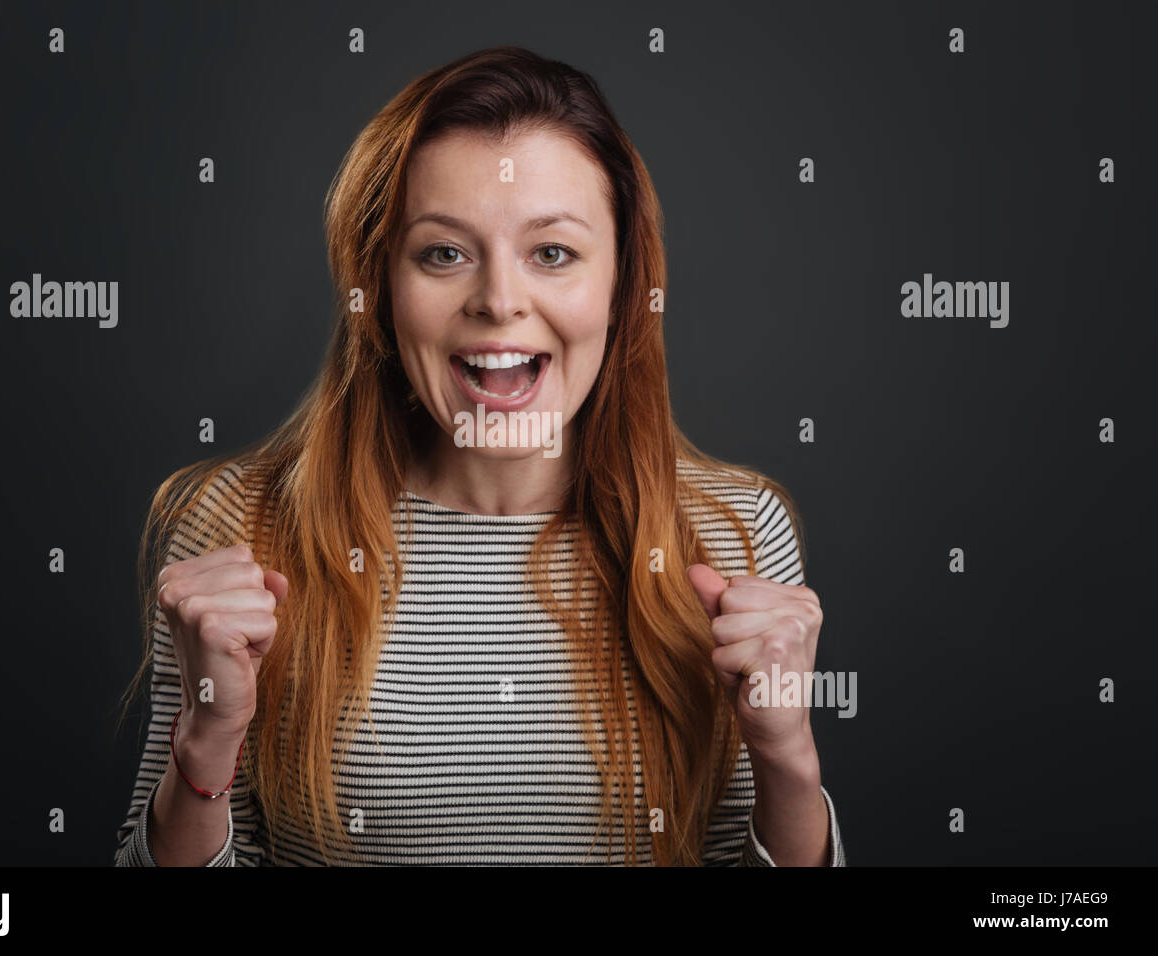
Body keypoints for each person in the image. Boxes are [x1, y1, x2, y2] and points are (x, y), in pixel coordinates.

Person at [114, 45, 846, 867]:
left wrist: (788, 759)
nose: (499, 301)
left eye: (552, 253)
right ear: (379, 290)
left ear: (622, 284)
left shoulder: (735, 530)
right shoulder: (241, 527)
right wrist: (208, 740)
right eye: (444, 253)